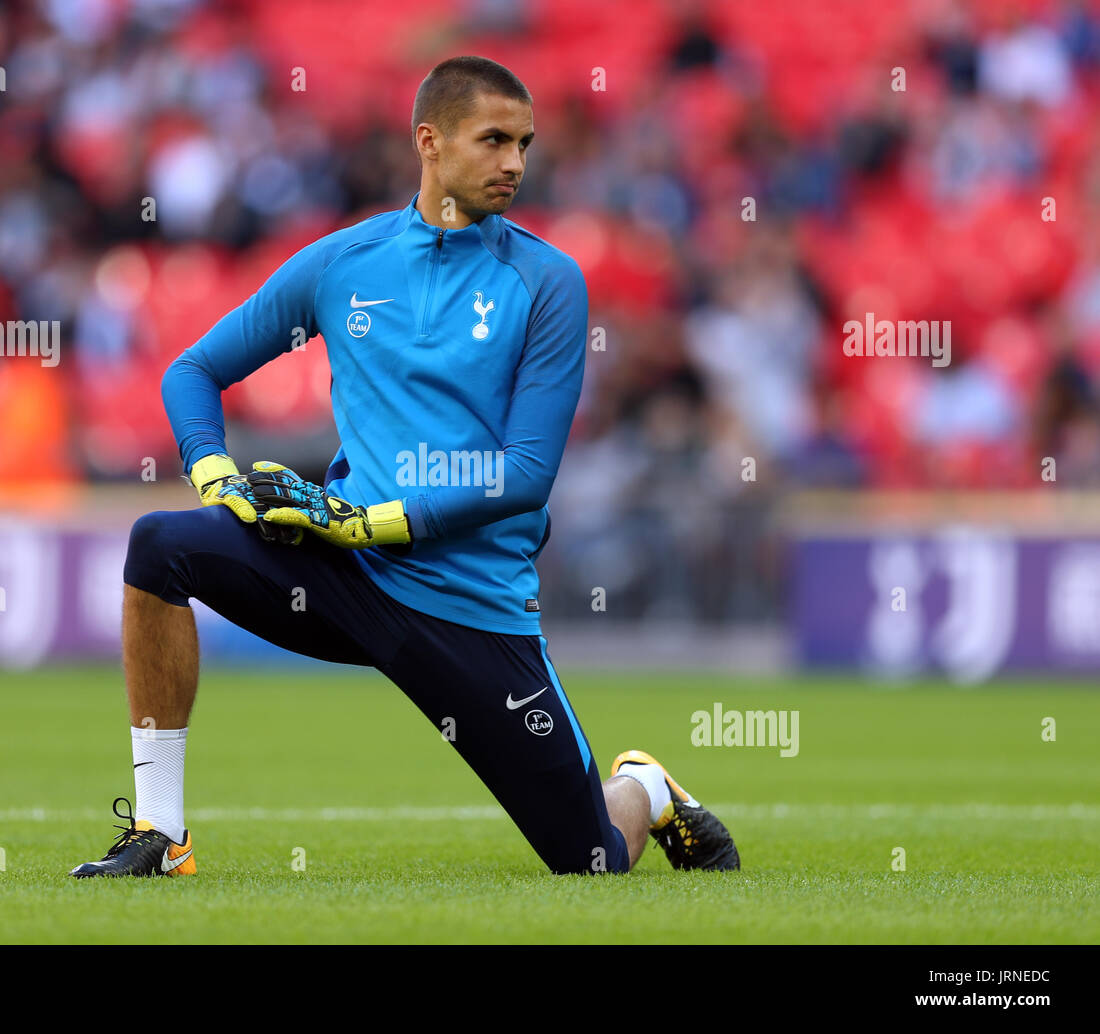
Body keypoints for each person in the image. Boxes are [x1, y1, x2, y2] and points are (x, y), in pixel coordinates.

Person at [70, 55, 738, 880]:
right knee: (158, 547)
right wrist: (218, 479)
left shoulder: (549, 281)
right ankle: (160, 835)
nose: (514, 164)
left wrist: (365, 520)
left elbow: (525, 474)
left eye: (524, 144)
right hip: (343, 573)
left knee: (592, 863)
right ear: (429, 140)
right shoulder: (342, 263)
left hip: (469, 606)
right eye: (493, 140)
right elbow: (191, 373)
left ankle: (642, 789)